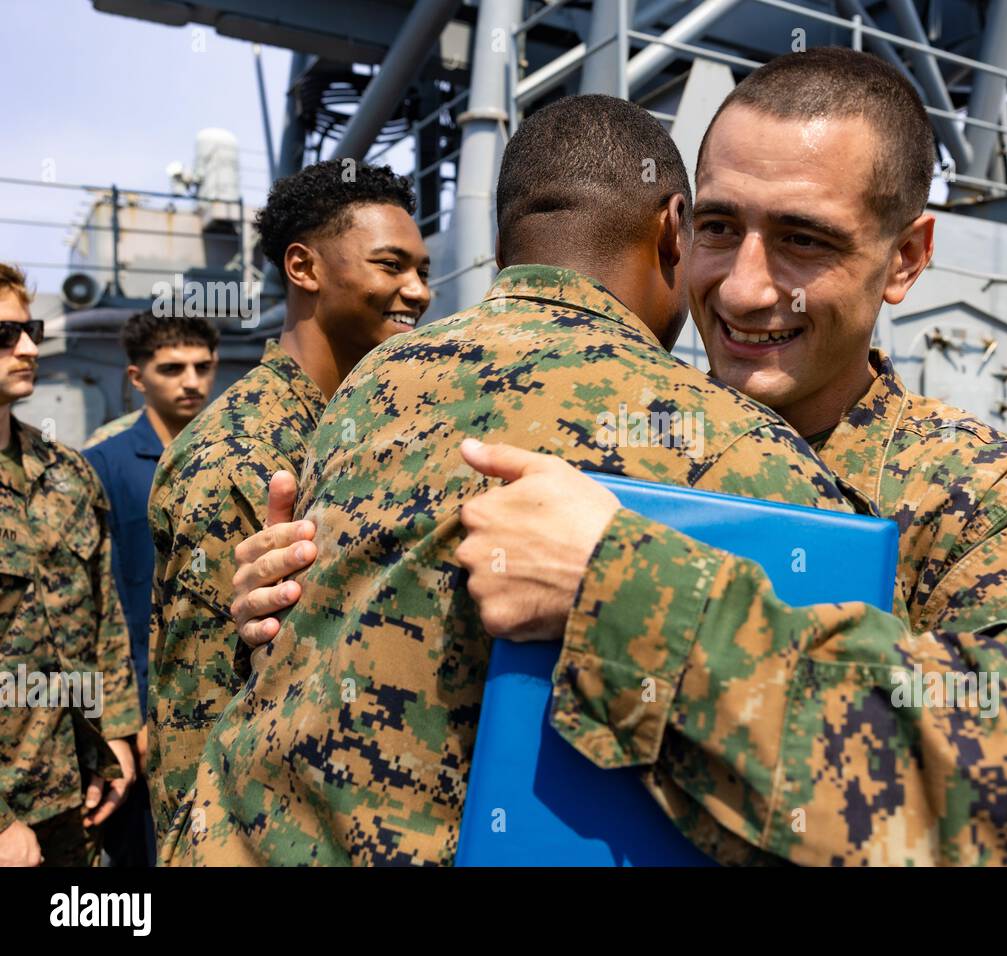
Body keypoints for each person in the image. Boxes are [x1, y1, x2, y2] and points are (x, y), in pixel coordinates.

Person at [235, 51, 1007, 865]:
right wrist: (303, 606)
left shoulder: (973, 498)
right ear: (679, 226)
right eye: (721, 229)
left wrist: (626, 591)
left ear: (906, 258)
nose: (744, 285)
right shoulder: (597, 413)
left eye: (806, 240)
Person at [165, 93, 856, 866]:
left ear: (502, 248)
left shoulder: (372, 382)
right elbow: (838, 777)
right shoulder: (744, 450)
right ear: (672, 230)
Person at [145, 160, 430, 843]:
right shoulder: (234, 456)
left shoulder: (358, 430)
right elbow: (196, 710)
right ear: (303, 268)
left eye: (422, 269)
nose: (418, 292)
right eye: (391, 266)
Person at [0, 263, 141, 867]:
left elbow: (103, 616)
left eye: (29, 328)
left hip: (71, 788)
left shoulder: (66, 471)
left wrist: (114, 733)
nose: (29, 346)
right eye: (5, 334)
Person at [83, 312, 219, 865]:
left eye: (203, 366)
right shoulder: (101, 467)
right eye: (172, 368)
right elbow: (99, 605)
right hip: (139, 703)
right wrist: (127, 719)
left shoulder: (223, 454)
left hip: (216, 694)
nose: (191, 381)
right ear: (137, 378)